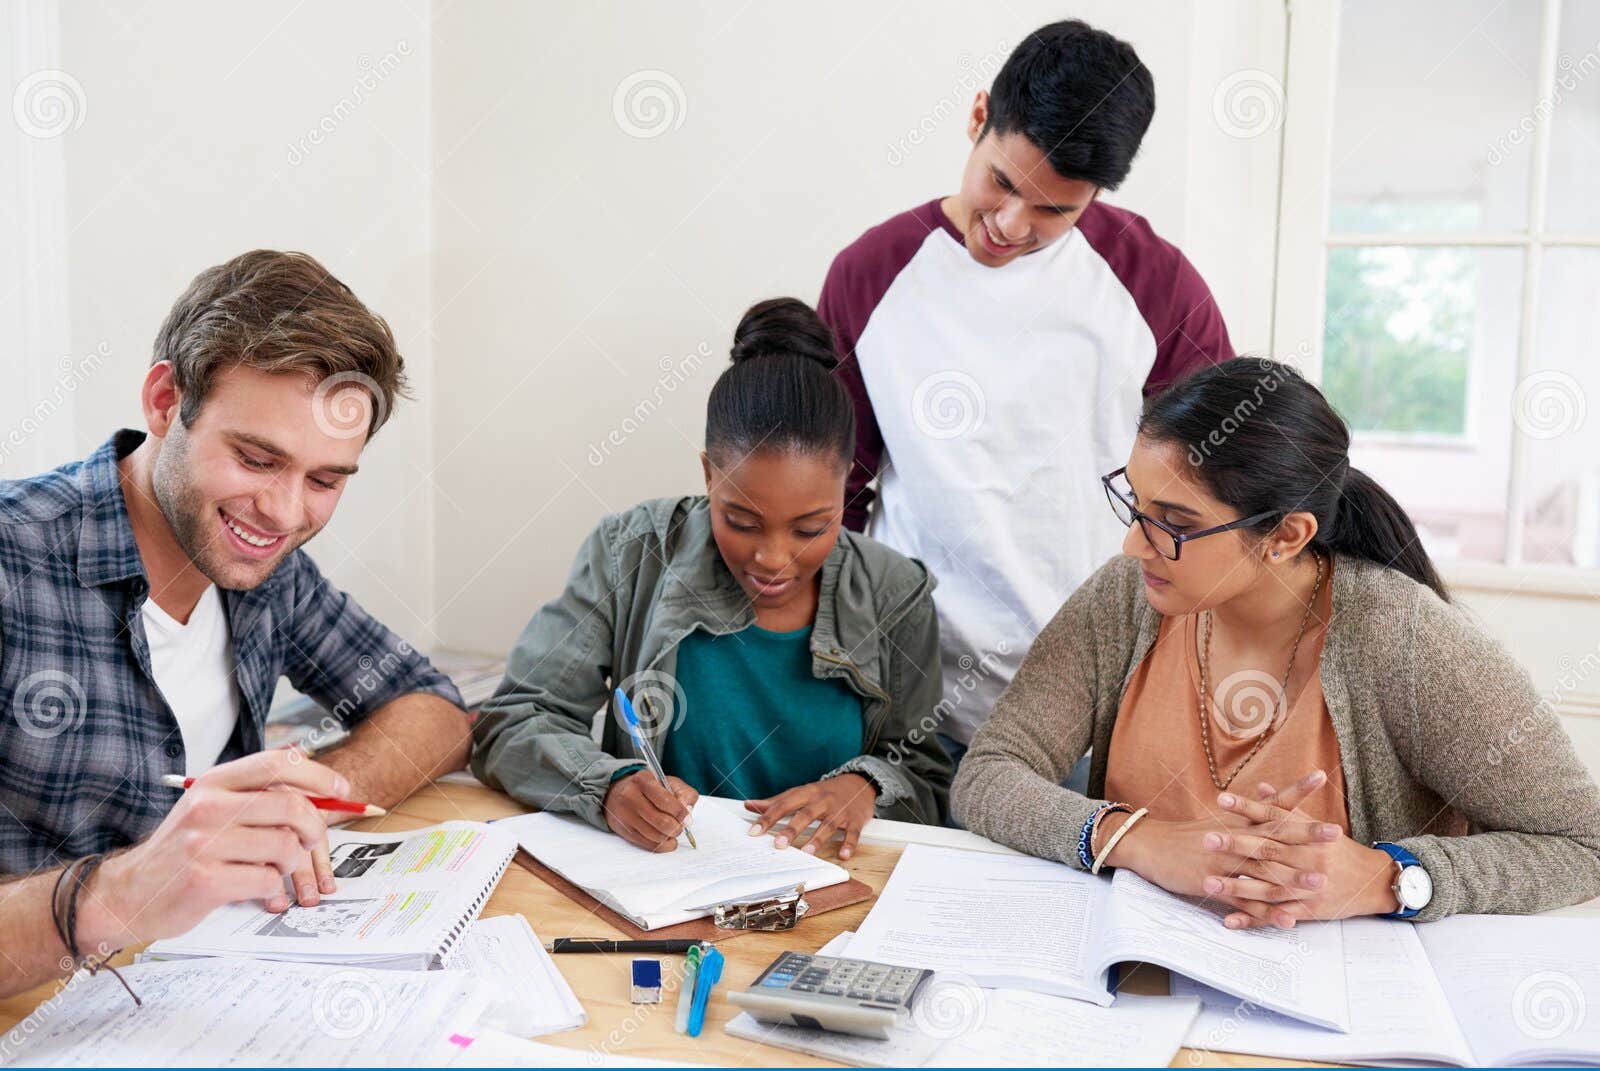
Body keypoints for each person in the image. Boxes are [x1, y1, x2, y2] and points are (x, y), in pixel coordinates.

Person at [953, 357, 1600, 925]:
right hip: (1135, 988)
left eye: (1174, 525)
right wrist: (1138, 840)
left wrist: (1388, 878)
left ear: (1286, 536)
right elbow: (987, 775)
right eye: (1135, 504)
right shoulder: (1126, 597)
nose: (1132, 545)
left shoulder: (1405, 640)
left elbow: (1585, 842)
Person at [0, 250, 470, 999]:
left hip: (208, 1000)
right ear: (164, 401)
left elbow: (435, 709)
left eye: (323, 481)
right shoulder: (14, 560)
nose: (284, 514)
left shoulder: (265, 569)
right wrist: (118, 895)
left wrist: (304, 802)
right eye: (256, 459)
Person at [820, 19, 1234, 762]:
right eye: (1002, 183)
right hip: (903, 706)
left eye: (1053, 211)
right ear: (978, 117)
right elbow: (835, 495)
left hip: (1099, 707)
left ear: (1095, 195)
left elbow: (1217, 499)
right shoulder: (870, 274)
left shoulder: (1157, 287)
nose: (1011, 225)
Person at [473, 299, 952, 857]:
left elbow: (925, 770)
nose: (773, 559)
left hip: (830, 890)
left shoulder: (896, 593)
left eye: (810, 529)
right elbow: (513, 720)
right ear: (708, 474)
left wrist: (864, 786)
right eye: (742, 521)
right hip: (669, 881)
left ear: (848, 482)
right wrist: (606, 787)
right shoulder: (633, 554)